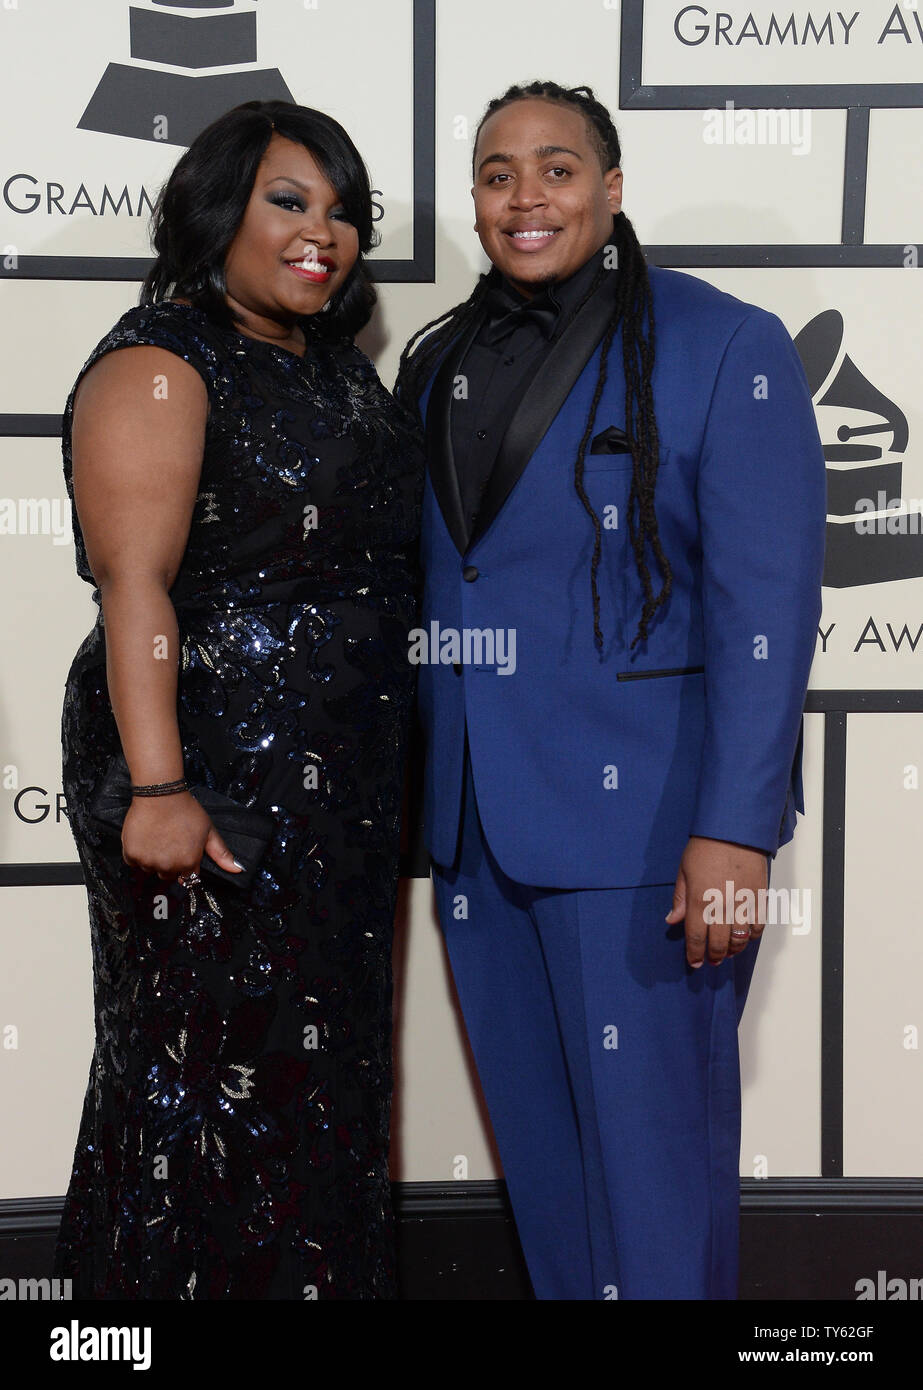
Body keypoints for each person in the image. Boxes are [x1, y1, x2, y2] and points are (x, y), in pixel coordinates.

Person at [396, 80, 826, 1300]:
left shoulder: (722, 344)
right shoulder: (437, 360)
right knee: (546, 1176)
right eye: (496, 175)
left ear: (612, 186)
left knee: (650, 1182)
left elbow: (765, 607)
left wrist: (734, 831)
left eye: (556, 167)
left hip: (643, 835)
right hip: (474, 829)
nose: (524, 196)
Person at [54, 99, 423, 1299]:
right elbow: (136, 583)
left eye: (343, 211)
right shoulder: (161, 361)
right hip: (209, 777)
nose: (324, 232)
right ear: (217, 209)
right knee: (200, 1076)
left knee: (323, 1076)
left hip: (338, 789)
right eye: (288, 200)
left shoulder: (332, 366)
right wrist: (159, 785)